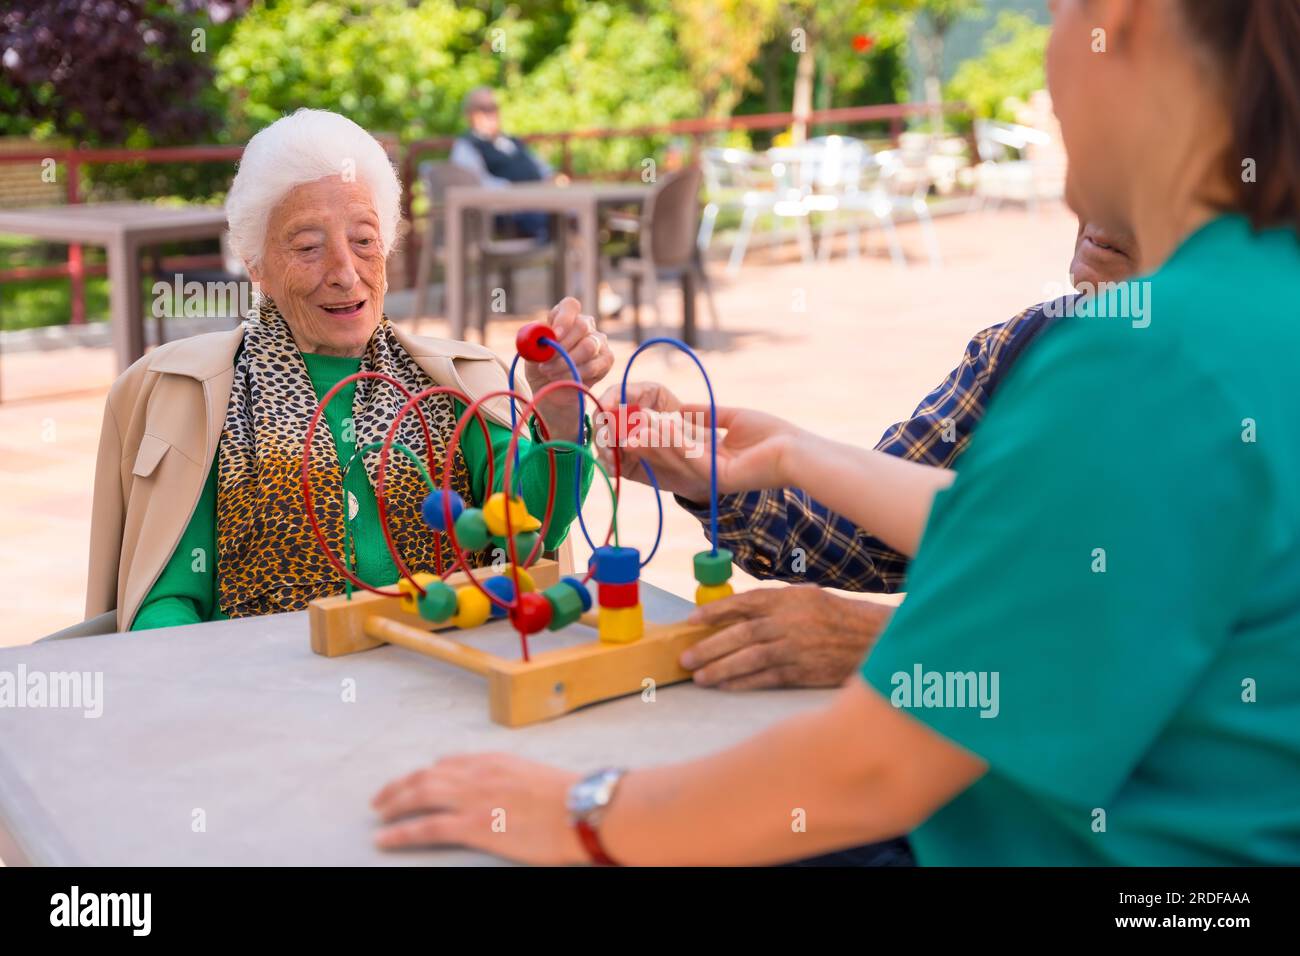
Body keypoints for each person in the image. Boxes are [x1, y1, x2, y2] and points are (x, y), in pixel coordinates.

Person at [372, 0, 1300, 865]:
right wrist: (789, 456)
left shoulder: (1140, 354)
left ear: (1119, 19)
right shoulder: (1255, 307)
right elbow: (1055, 545)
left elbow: (875, 767)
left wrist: (580, 811)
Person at [85, 109, 613, 632]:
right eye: (308, 248)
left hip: (440, 685)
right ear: (255, 265)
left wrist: (561, 415)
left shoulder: (459, 386)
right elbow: (168, 603)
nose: (345, 273)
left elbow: (532, 525)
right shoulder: (205, 403)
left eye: (363, 241)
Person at [608, 219, 1138, 692]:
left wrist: (887, 642)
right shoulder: (1024, 347)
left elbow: (1131, 633)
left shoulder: (1211, 402)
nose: (1098, 200)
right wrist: (711, 473)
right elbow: (872, 529)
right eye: (1092, 159)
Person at [450, 86, 558, 241]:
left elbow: (541, 167)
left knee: (578, 216)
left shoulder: (512, 141)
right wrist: (516, 192)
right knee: (555, 222)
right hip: (506, 214)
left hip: (542, 202)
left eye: (494, 108)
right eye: (484, 109)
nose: (491, 114)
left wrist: (552, 178)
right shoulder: (466, 146)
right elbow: (476, 185)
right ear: (470, 114)